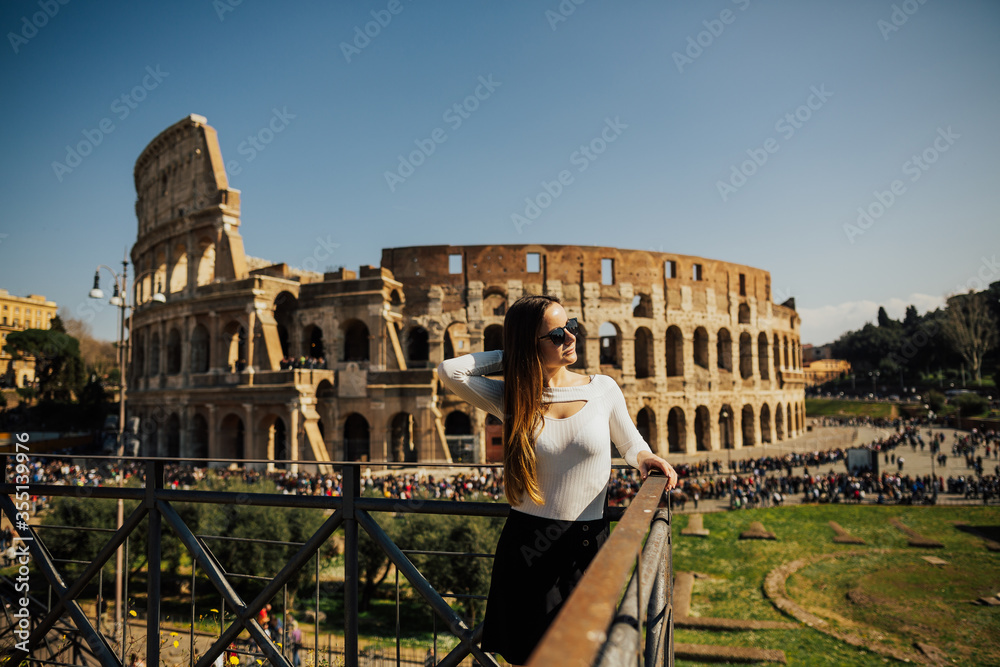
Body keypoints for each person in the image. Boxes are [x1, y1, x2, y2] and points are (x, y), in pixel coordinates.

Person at [437, 295, 677, 665]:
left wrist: (646, 458)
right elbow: (450, 371)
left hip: (587, 544)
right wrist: (514, 353)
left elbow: (631, 443)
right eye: (556, 334)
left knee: (586, 656)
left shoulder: (602, 389)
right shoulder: (513, 397)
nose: (570, 338)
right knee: (532, 659)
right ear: (530, 345)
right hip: (527, 546)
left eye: (572, 327)